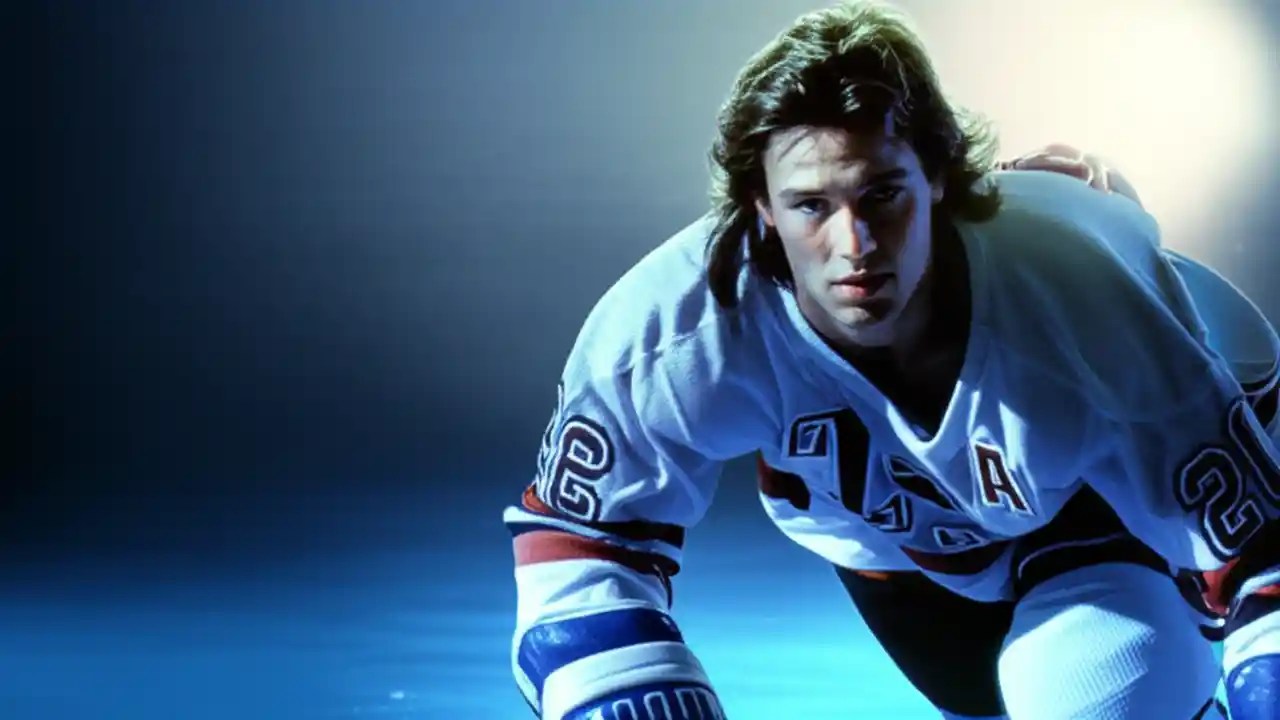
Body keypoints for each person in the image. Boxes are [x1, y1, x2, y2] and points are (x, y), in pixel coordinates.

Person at [503, 2, 1280, 718]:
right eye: (812, 205)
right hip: (906, 554)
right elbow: (574, 567)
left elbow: (1265, 571)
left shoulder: (1085, 303)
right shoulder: (679, 326)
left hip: (1104, 507)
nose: (855, 246)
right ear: (759, 208)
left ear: (939, 177)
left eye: (882, 195)